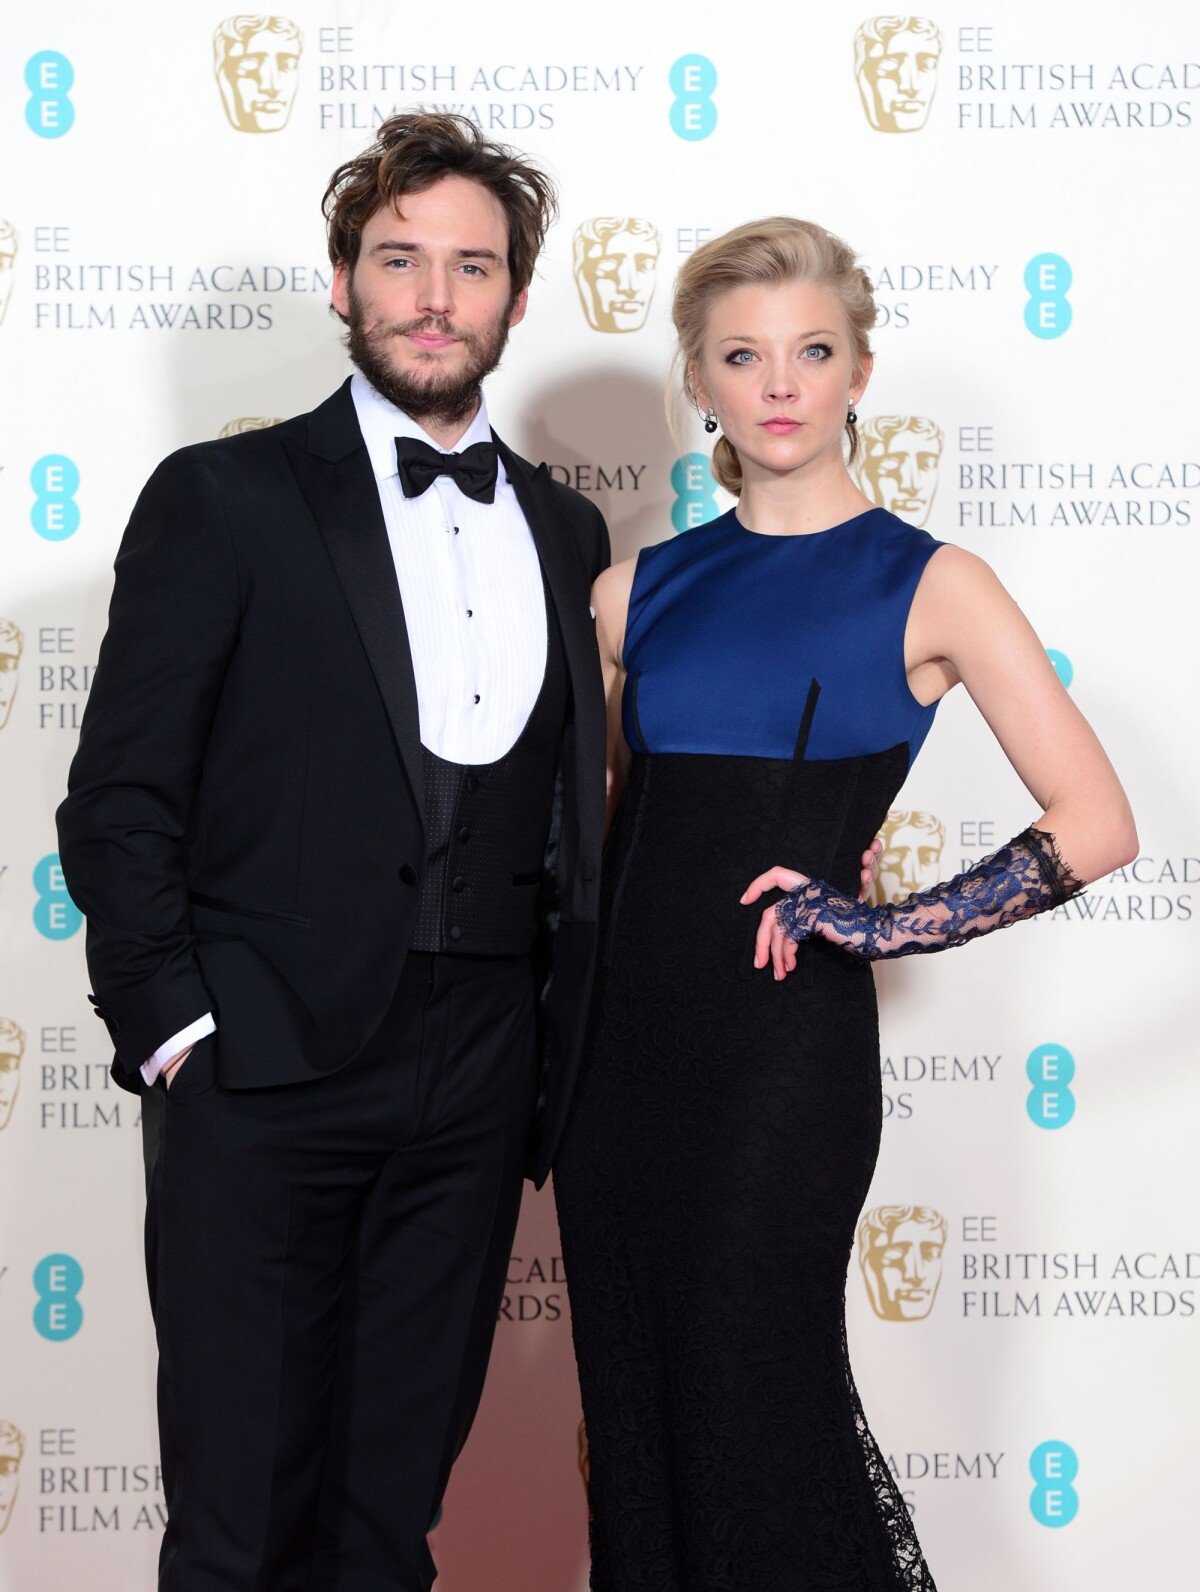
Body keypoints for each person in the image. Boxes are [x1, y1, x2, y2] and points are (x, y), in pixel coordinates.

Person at [56, 112, 610, 1592]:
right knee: (239, 1514)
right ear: (343, 284)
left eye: (472, 266)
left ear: (516, 297)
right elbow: (119, 797)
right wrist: (177, 1030)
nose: (436, 295)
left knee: (388, 1517)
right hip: (263, 1061)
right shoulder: (222, 499)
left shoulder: (566, 535)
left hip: (481, 1072)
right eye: (400, 259)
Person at [553, 216, 1137, 1588]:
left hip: (779, 1058)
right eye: (741, 355)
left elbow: (1098, 824)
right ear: (697, 381)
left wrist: (879, 922)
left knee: (762, 1405)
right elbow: (614, 836)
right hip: (615, 1065)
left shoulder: (934, 583)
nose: (778, 384)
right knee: (640, 1418)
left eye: (811, 351)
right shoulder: (629, 595)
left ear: (860, 370)